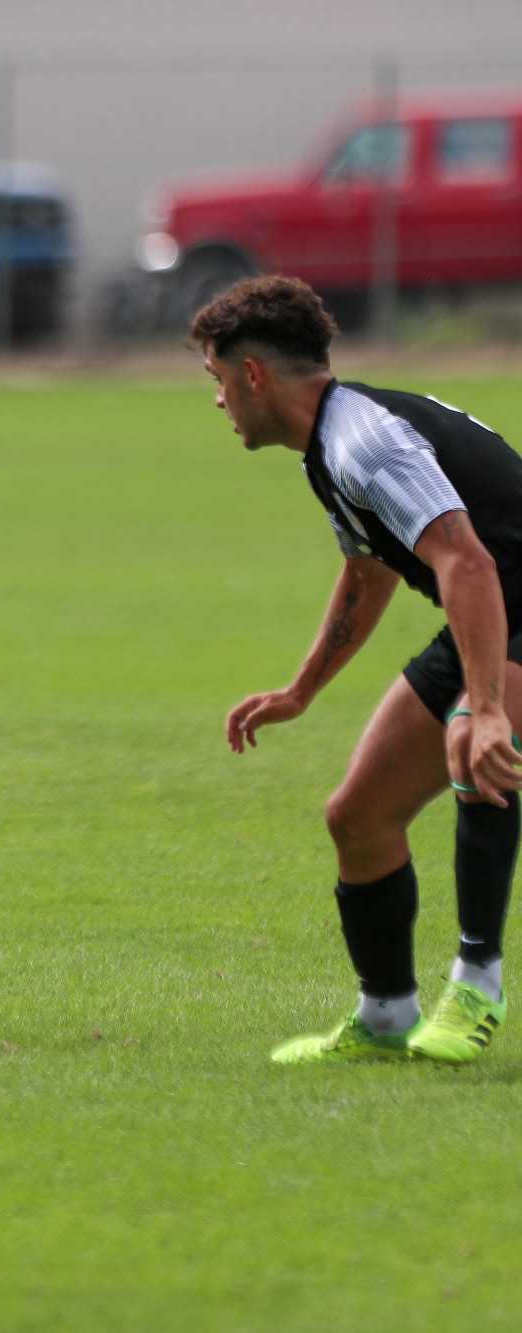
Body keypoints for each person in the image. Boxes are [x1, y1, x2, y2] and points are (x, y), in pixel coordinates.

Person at [199, 275, 513, 1064]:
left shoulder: (361, 442)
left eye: (217, 380)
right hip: (493, 605)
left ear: (254, 375)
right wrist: (301, 689)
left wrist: (488, 706)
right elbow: (370, 570)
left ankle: (478, 985)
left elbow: (466, 562)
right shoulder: (329, 448)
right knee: (358, 815)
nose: (219, 402)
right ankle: (384, 1016)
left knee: (472, 747)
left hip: (502, 598)